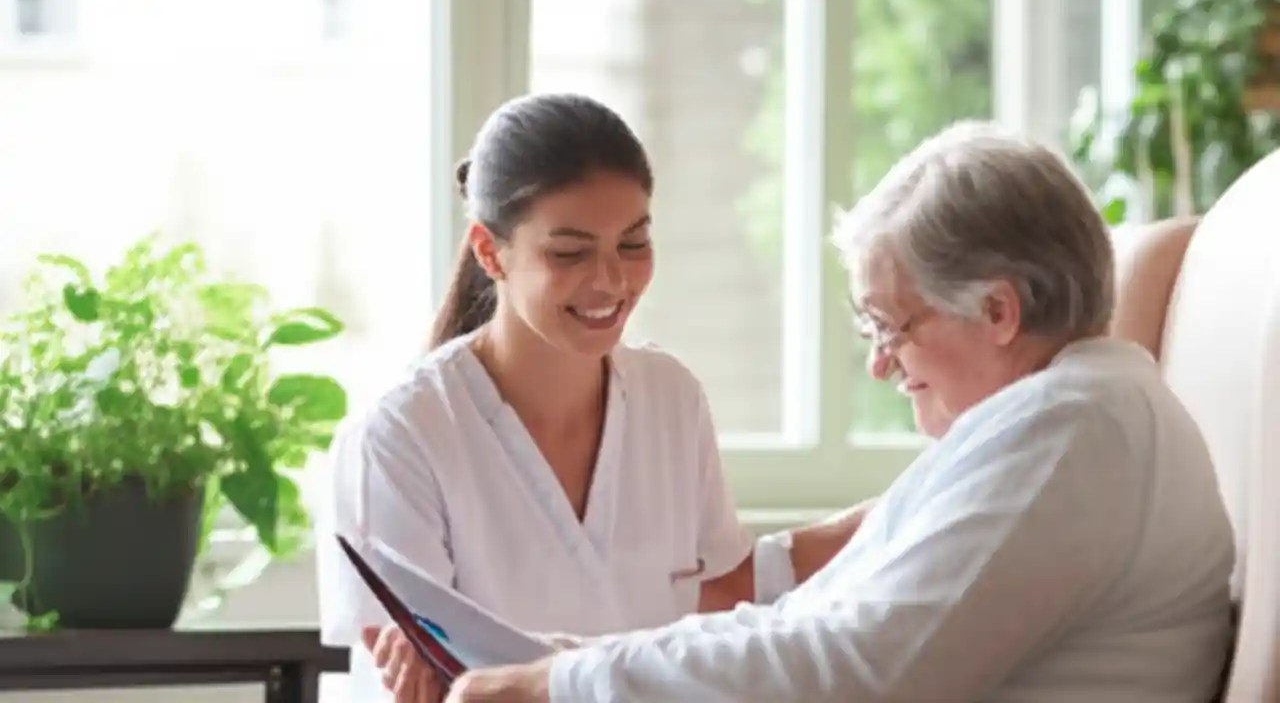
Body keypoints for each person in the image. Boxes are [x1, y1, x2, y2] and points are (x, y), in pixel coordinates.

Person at [434, 121, 1237, 703]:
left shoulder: (1076, 432)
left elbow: (856, 668)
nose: (882, 363)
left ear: (997, 311)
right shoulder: (1056, 418)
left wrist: (569, 682)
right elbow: (810, 624)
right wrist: (578, 660)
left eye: (892, 326)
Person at [313, 92, 870, 702]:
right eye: (570, 252)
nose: (611, 281)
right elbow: (405, 662)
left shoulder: (670, 397)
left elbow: (716, 589)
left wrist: (915, 504)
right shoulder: (405, 432)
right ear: (488, 251)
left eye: (633, 243)